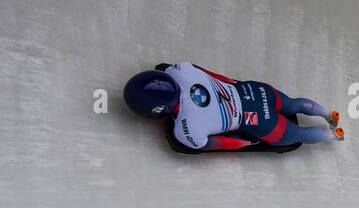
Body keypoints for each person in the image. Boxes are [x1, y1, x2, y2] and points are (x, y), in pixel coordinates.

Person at [122, 62, 343, 155]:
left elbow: (224, 143)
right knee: (293, 103)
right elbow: (215, 76)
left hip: (257, 121)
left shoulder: (187, 129)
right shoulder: (180, 70)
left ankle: (332, 136)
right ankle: (328, 114)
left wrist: (248, 143)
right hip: (255, 91)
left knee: (297, 135)